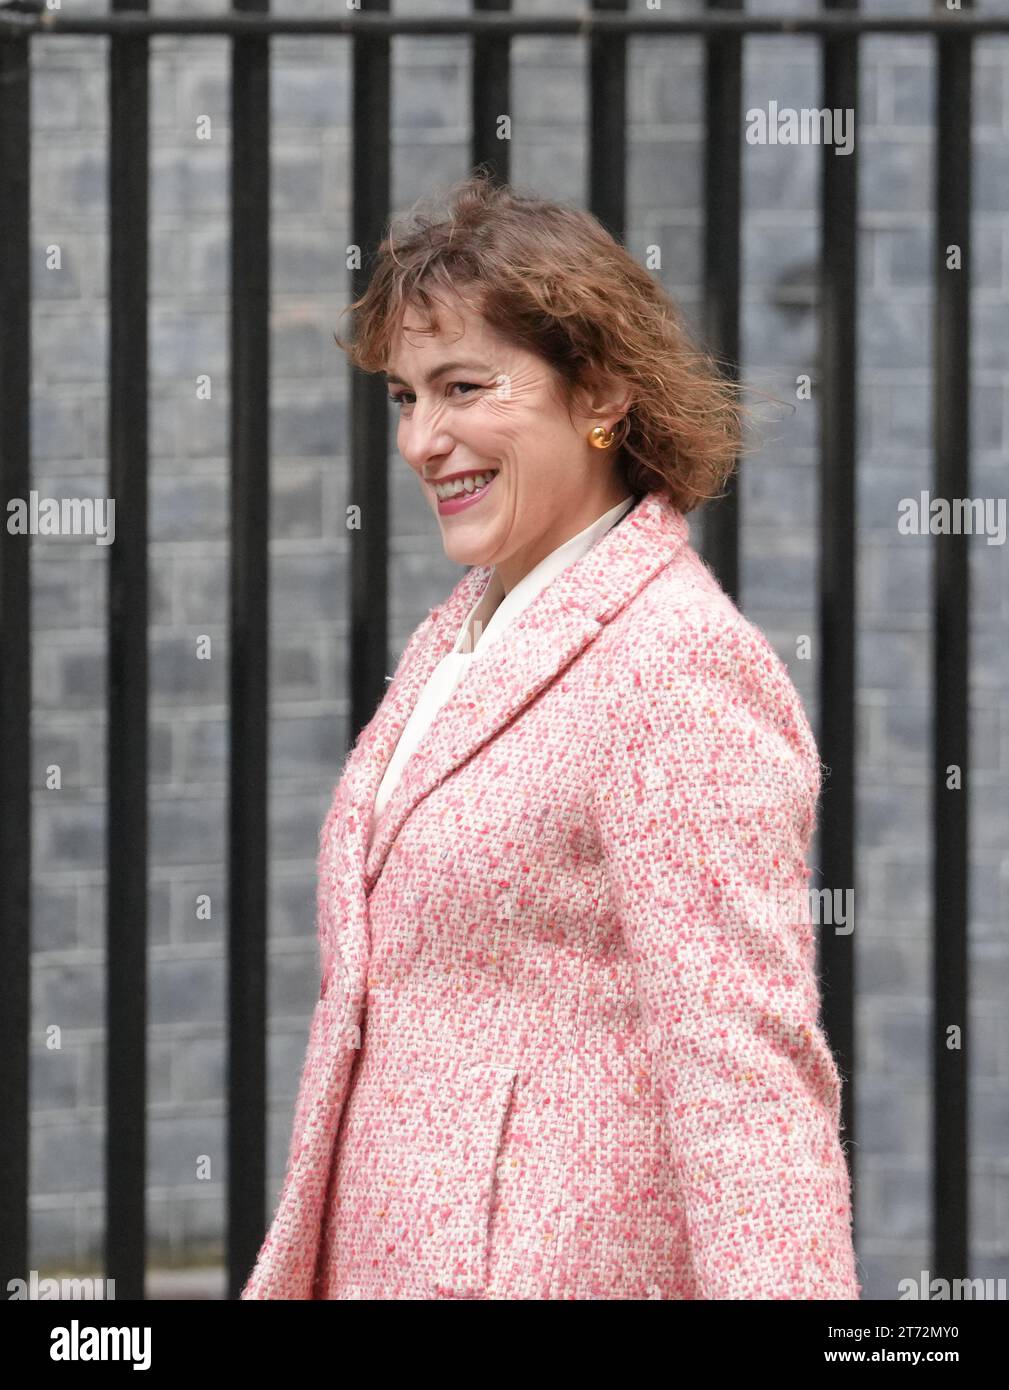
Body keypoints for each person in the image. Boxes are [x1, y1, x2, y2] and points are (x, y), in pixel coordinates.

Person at [241, 172, 861, 1300]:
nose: (423, 440)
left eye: (464, 386)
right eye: (404, 397)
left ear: (602, 392)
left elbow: (744, 1074)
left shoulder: (670, 662)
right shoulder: (467, 627)